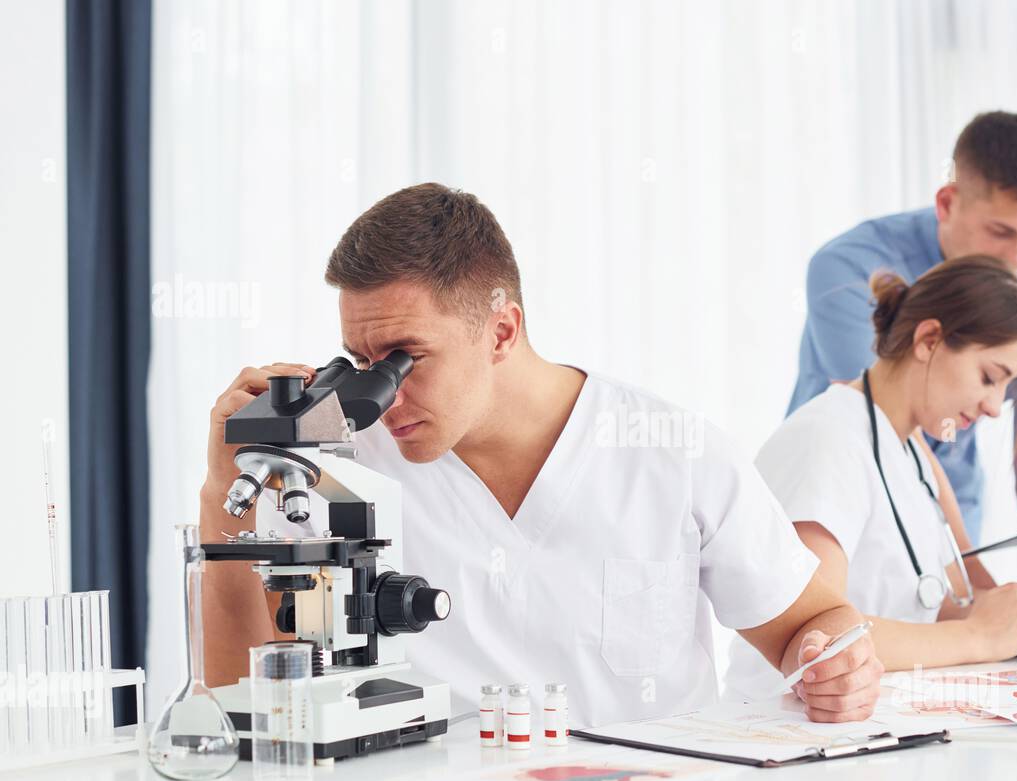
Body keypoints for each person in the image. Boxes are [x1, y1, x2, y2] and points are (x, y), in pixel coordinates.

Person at [198, 182, 883, 729]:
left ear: (501, 331)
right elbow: (242, 699)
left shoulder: (672, 454)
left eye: (404, 360)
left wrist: (835, 665)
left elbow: (814, 622)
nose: (385, 397)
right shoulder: (341, 467)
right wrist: (219, 490)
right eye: (362, 362)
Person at [728, 257, 1017, 696]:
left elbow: (958, 607)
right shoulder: (825, 441)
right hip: (790, 731)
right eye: (989, 377)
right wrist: (978, 638)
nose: (995, 408)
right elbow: (819, 638)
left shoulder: (915, 455)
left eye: (1006, 389)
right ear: (929, 339)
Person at [789, 111, 1017, 565]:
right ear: (947, 202)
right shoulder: (849, 268)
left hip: (951, 531)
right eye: (1001, 232)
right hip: (842, 512)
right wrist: (969, 574)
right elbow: (886, 429)